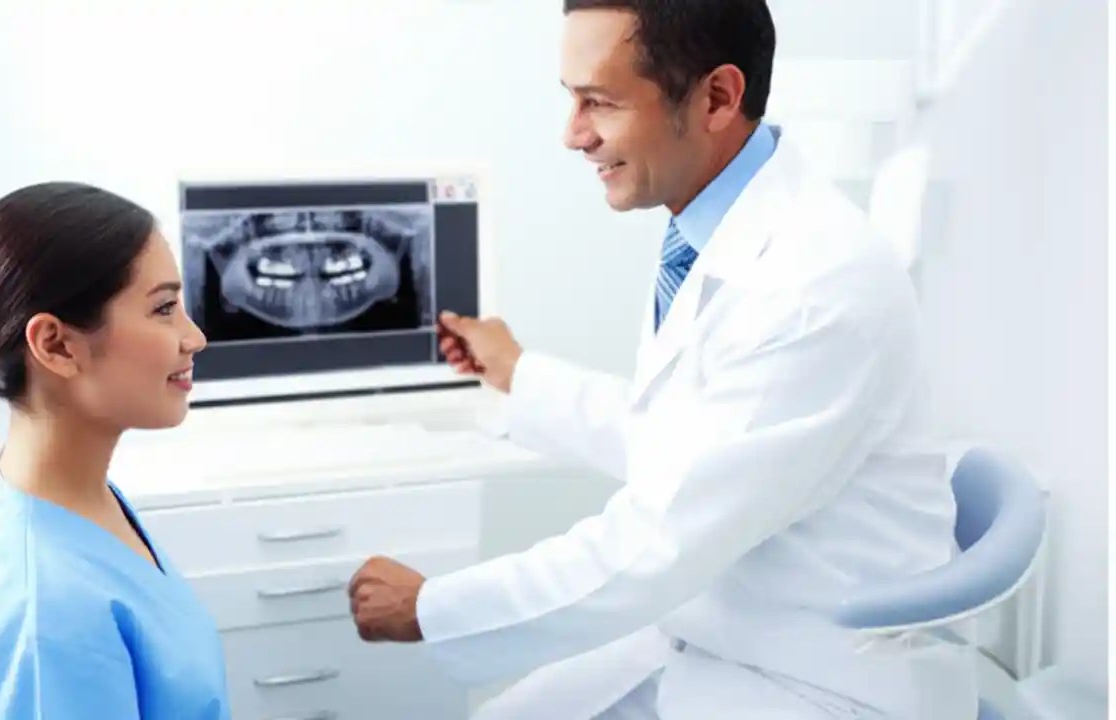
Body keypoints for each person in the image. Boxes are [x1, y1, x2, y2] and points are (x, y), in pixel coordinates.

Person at [348, 1, 976, 718]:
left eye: (600, 102)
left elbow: (661, 539)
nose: (573, 135)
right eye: (571, 99)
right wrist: (520, 372)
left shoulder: (816, 283)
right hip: (722, 634)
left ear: (716, 98)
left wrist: (435, 607)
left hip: (815, 679)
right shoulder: (711, 225)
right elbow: (689, 440)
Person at [0, 182, 227, 719]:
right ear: (56, 345)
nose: (194, 336)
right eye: (164, 309)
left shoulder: (80, 504)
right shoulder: (46, 611)